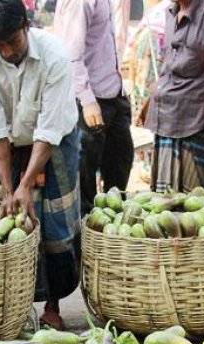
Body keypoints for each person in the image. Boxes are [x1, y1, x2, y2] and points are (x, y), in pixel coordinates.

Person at [0, 0, 81, 330]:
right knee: (7, 216)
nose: (5, 52)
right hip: (10, 143)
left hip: (56, 139)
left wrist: (27, 183)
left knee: (54, 224)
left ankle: (53, 304)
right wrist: (9, 185)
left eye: (12, 42)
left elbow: (48, 129)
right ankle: (11, 304)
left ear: (26, 27)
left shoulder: (54, 56)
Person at [139, 0, 204, 193]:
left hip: (194, 124)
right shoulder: (171, 12)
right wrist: (152, 100)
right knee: (163, 203)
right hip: (165, 120)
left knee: (197, 204)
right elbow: (170, 68)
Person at [53, 0, 134, 203]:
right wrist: (87, 100)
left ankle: (110, 217)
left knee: (121, 157)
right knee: (85, 169)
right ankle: (87, 225)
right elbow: (71, 54)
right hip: (89, 98)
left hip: (113, 94)